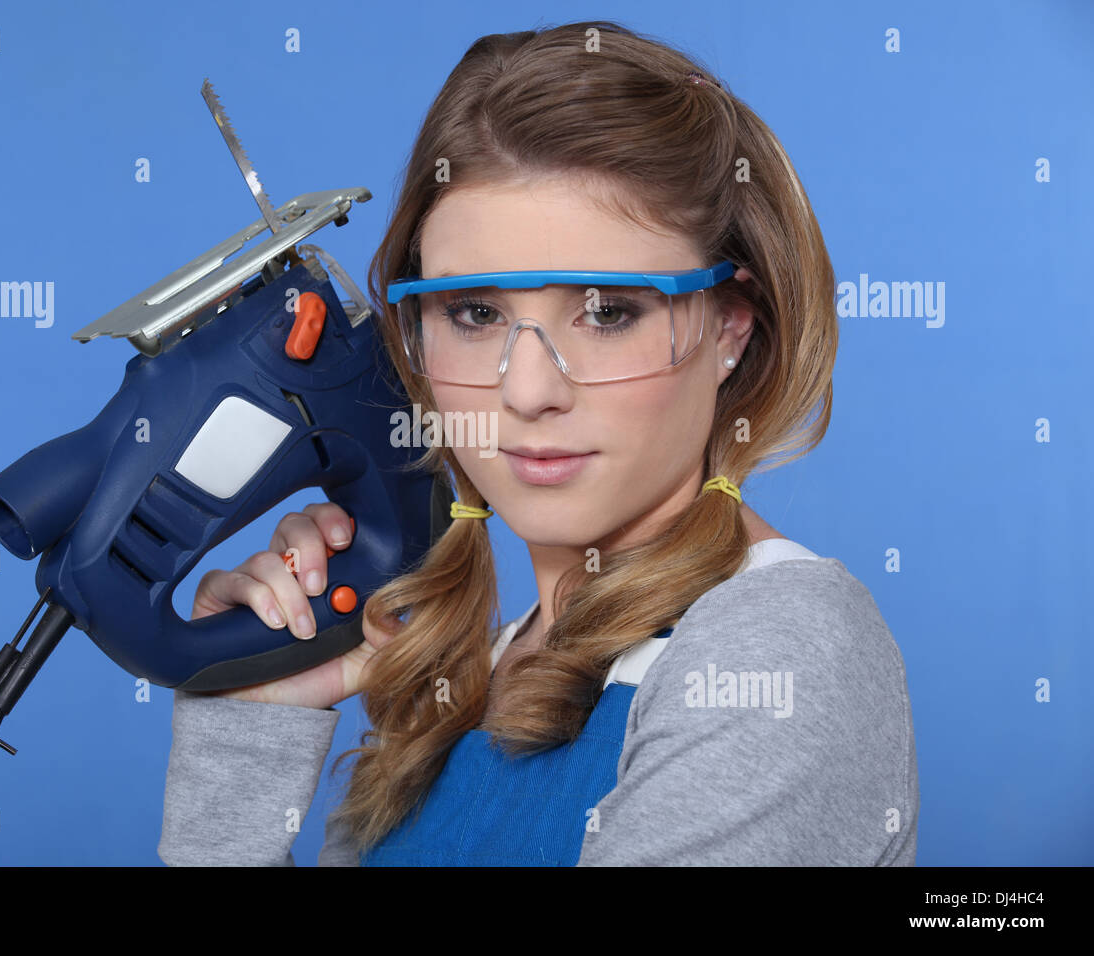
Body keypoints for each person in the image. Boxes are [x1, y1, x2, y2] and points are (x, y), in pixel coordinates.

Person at [157, 19, 918, 866]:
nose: (526, 392)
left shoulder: (777, 644)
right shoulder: (471, 680)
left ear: (729, 326)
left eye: (607, 312)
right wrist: (248, 734)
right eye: (474, 314)